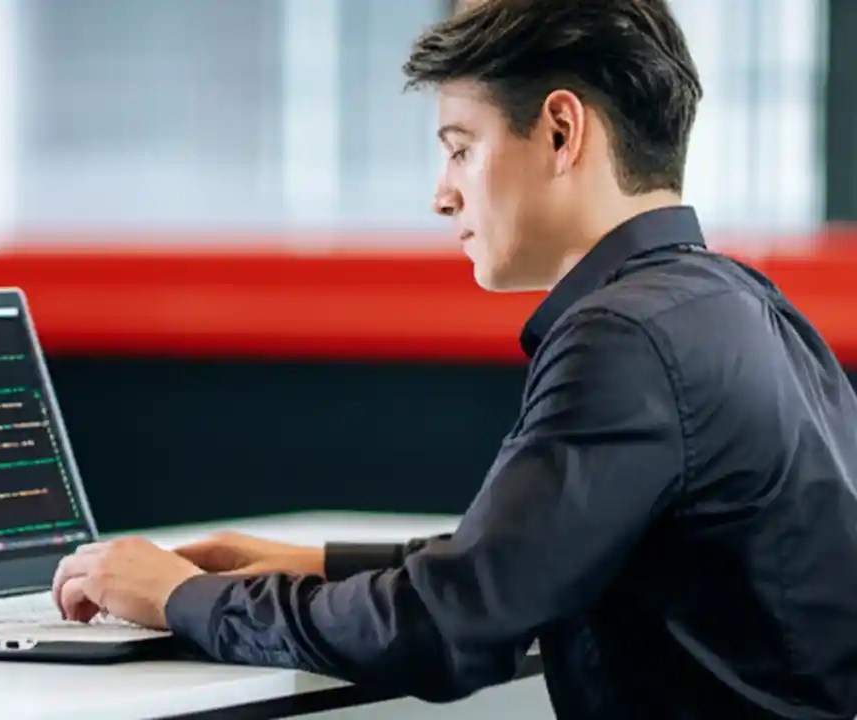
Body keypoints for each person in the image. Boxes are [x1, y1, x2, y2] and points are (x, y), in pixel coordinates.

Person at [50, 0, 857, 716]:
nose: (442, 194)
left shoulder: (624, 337)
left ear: (561, 131)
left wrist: (185, 599)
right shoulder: (741, 304)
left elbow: (449, 626)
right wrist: (297, 564)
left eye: (461, 148)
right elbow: (525, 559)